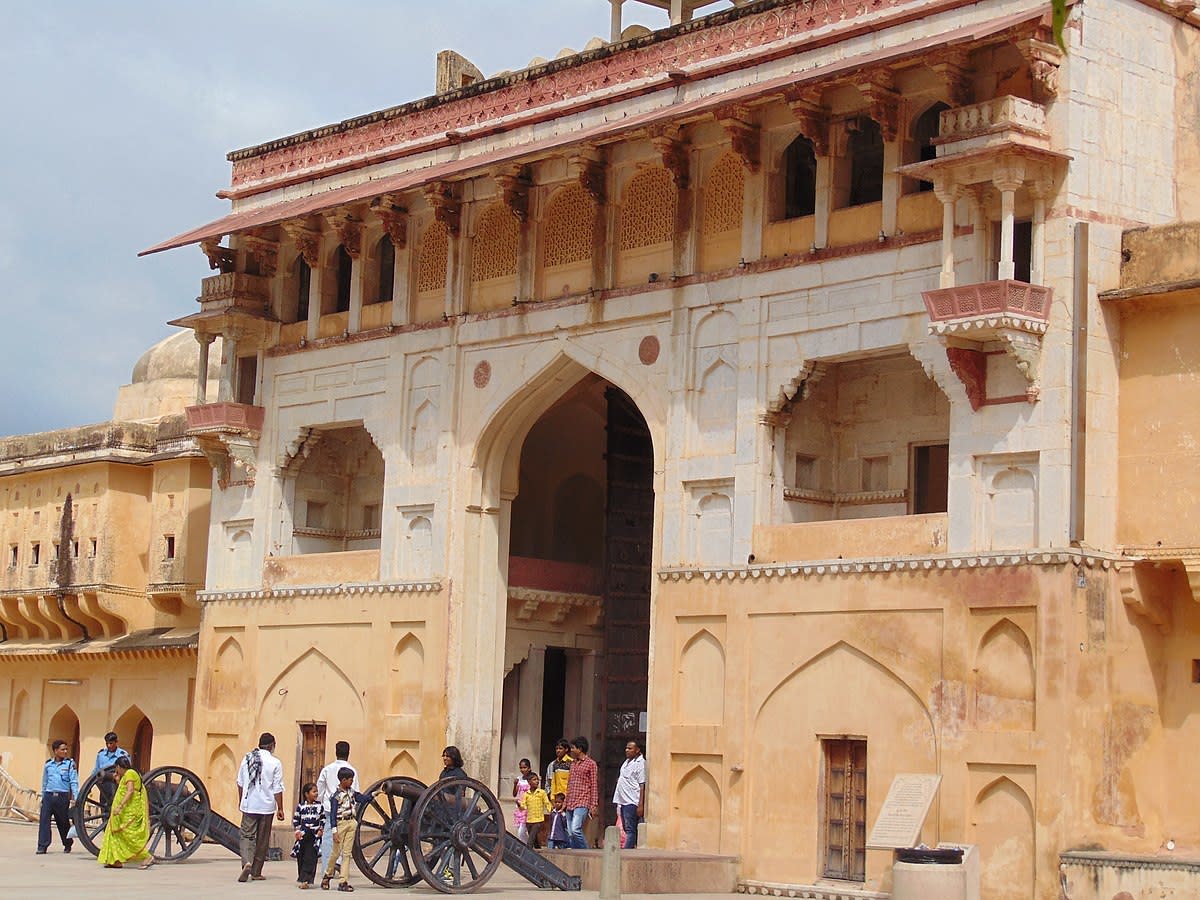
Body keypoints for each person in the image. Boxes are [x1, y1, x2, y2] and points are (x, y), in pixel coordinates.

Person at [236, 732, 285, 883]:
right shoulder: (275, 762)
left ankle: (247, 862)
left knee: (246, 835)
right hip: (267, 806)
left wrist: (241, 800)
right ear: (272, 745)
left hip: (250, 804)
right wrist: (280, 808)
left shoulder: (247, 758)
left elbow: (240, 782)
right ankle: (256, 871)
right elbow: (277, 788)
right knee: (262, 840)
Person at [97, 757, 152, 869]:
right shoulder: (126, 775)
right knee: (116, 834)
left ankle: (147, 856)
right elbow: (123, 788)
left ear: (118, 766)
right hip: (122, 811)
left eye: (117, 769)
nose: (116, 771)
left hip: (129, 810)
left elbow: (130, 790)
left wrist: (120, 806)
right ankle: (116, 860)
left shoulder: (130, 773)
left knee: (128, 835)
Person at [316, 741, 359, 881]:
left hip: (330, 809)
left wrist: (322, 803)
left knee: (329, 838)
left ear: (336, 752)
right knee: (346, 840)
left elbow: (320, 789)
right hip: (347, 812)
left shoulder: (327, 769)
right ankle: (339, 864)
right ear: (348, 753)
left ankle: (326, 870)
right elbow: (355, 792)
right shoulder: (352, 771)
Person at [320, 768, 362, 893]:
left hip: (351, 822)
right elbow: (333, 815)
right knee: (336, 853)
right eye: (350, 780)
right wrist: (334, 831)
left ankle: (343, 881)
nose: (352, 782)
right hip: (341, 823)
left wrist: (374, 794)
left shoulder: (351, 792)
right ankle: (327, 875)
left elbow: (361, 798)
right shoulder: (336, 796)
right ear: (343, 780)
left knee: (347, 854)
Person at [38, 739, 78, 854]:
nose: (65, 751)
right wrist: (43, 796)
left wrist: (76, 796)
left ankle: (67, 843)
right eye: (62, 749)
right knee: (44, 821)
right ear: (55, 751)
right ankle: (42, 846)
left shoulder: (70, 764)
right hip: (49, 795)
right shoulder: (48, 765)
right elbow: (45, 782)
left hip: (62, 796)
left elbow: (73, 781)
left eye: (66, 749)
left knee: (63, 822)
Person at [563, 736, 597, 849]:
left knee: (575, 829)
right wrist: (565, 802)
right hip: (570, 802)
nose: (571, 750)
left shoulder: (591, 764)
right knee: (570, 833)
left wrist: (593, 805)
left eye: (573, 748)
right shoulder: (572, 764)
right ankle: (576, 853)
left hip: (583, 801)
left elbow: (594, 785)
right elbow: (569, 784)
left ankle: (586, 852)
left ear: (580, 749)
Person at [613, 739, 646, 849]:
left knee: (631, 830)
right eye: (626, 748)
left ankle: (627, 853)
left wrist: (640, 805)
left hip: (632, 801)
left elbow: (642, 785)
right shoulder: (626, 762)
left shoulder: (640, 764)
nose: (627, 750)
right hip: (623, 800)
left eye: (630, 748)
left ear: (637, 750)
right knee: (627, 829)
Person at [93, 731, 131, 823]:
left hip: (118, 785)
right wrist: (90, 784)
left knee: (117, 807)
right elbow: (96, 769)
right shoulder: (101, 754)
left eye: (111, 743)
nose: (109, 746)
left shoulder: (123, 754)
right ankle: (105, 828)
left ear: (116, 742)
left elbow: (128, 771)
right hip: (104, 785)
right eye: (107, 743)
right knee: (104, 807)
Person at [293, 782, 323, 889]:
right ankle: (302, 878)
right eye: (313, 791)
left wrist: (321, 829)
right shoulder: (301, 806)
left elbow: (323, 819)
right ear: (306, 794)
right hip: (303, 835)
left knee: (310, 857)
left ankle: (307, 880)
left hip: (314, 836)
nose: (316, 793)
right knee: (301, 856)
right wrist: (297, 832)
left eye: (316, 791)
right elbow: (296, 820)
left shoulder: (319, 806)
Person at [520, 772, 551, 848]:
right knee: (535, 841)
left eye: (537, 779)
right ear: (529, 782)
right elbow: (523, 806)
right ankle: (538, 852)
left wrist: (551, 810)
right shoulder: (526, 794)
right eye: (534, 780)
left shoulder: (542, 793)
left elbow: (547, 803)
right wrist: (519, 805)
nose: (537, 781)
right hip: (529, 820)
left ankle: (526, 853)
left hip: (538, 820)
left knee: (530, 840)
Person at [511, 758, 531, 843]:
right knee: (519, 828)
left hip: (527, 807)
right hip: (519, 807)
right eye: (521, 768)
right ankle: (526, 844)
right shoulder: (519, 779)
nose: (523, 770)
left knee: (522, 831)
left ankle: (527, 845)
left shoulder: (531, 779)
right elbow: (515, 794)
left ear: (529, 768)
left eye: (525, 767)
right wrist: (515, 784)